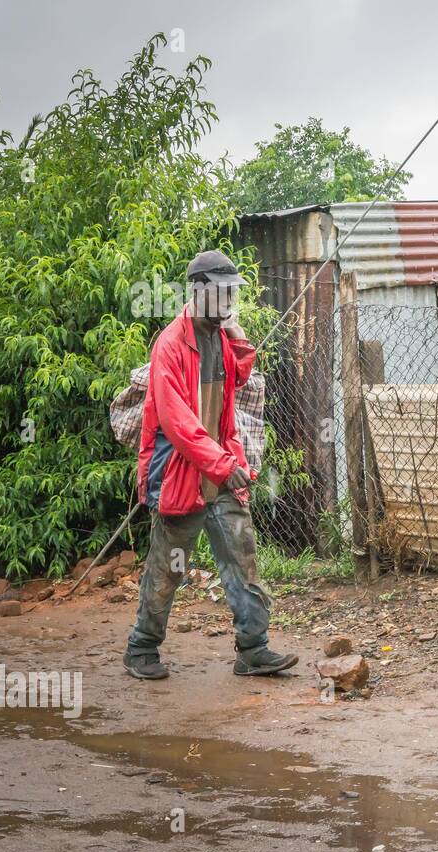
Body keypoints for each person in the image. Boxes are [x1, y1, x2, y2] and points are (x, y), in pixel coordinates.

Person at [122, 250, 297, 680]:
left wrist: (236, 334)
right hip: (182, 474)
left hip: (219, 470)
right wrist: (220, 464)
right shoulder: (169, 345)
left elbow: (238, 375)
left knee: (242, 558)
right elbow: (178, 423)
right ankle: (141, 648)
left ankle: (253, 650)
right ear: (199, 293)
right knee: (169, 567)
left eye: (231, 294)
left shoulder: (219, 336)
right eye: (223, 294)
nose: (228, 302)